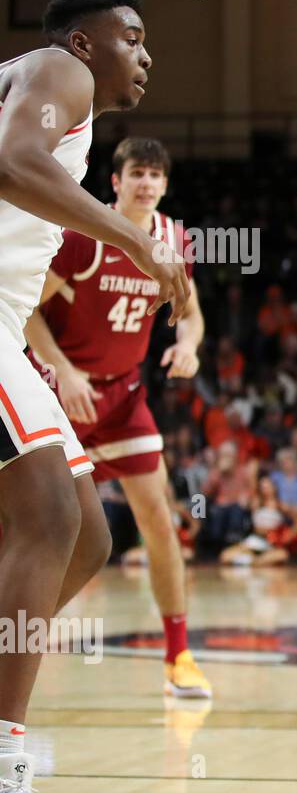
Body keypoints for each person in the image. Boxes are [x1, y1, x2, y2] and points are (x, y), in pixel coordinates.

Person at [0, 0, 189, 793]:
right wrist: (133, 238)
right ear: (84, 43)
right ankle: (3, 761)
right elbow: (12, 162)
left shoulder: (45, 86)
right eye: (133, 38)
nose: (146, 56)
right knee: (50, 518)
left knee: (85, 540)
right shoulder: (57, 71)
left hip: (5, 331)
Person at [25, 137, 210, 699]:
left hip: (126, 398)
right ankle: (18, 636)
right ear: (116, 181)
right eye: (137, 174)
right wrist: (64, 371)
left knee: (160, 519)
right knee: (38, 527)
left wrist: (189, 347)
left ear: (165, 184)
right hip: (63, 392)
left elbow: (193, 315)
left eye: (156, 175)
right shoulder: (84, 237)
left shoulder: (174, 240)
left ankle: (178, 656)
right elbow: (30, 313)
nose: (147, 184)